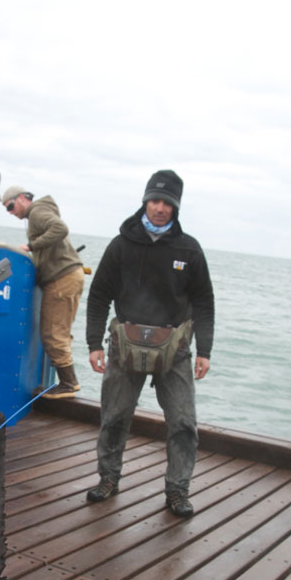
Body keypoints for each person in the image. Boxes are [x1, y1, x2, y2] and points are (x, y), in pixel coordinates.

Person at [83, 169, 215, 519]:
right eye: (154, 200)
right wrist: (94, 343)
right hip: (125, 349)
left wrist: (205, 350)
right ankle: (108, 479)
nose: (159, 208)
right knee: (113, 418)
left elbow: (204, 301)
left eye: (167, 203)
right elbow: (98, 296)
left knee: (184, 423)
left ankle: (177, 491)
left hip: (176, 352)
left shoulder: (189, 249)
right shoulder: (120, 245)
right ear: (144, 202)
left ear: (176, 208)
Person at [3, 185, 86, 399]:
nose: (11, 212)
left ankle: (68, 383)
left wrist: (31, 246)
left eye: (10, 206)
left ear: (22, 198)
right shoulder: (40, 211)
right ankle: (67, 381)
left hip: (61, 279)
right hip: (69, 276)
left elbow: (60, 229)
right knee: (61, 330)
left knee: (52, 332)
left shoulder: (37, 212)